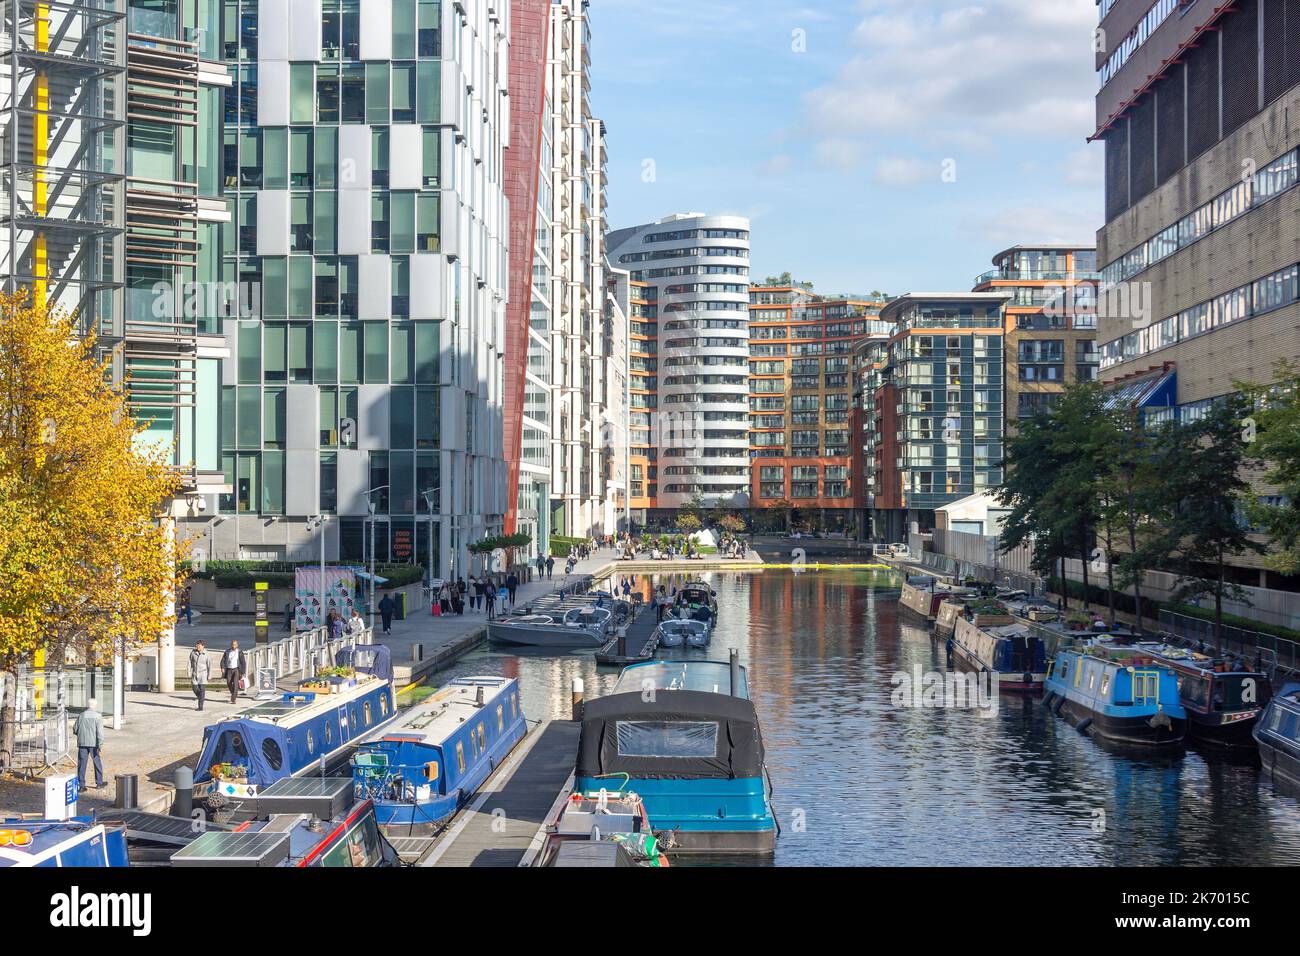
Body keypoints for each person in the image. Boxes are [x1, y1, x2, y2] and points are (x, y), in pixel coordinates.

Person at [73, 699, 106, 790]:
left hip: (82, 743)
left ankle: (81, 785)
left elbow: (75, 729)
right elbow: (100, 732)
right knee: (97, 762)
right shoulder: (98, 716)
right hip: (93, 743)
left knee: (82, 764)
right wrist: (100, 744)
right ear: (95, 705)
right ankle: (99, 783)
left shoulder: (81, 715)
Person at [188, 640, 211, 712]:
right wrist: (188, 672)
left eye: (199, 645)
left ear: (203, 646)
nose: (197, 647)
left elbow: (209, 665)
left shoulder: (207, 654)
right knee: (194, 688)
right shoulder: (193, 652)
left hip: (203, 674)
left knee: (202, 690)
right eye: (197, 645)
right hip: (195, 673)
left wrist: (209, 675)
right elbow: (189, 663)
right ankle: (201, 697)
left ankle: (200, 707)